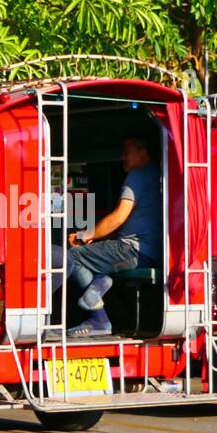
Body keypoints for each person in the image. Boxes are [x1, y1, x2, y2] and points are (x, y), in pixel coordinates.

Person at [63, 136, 161, 337]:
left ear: (143, 153)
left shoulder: (138, 175)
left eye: (127, 151)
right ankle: (101, 280)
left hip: (130, 251)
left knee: (70, 257)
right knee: (96, 258)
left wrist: (84, 236)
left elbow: (119, 216)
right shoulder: (158, 174)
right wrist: (96, 237)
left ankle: (99, 318)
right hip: (153, 254)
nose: (122, 157)